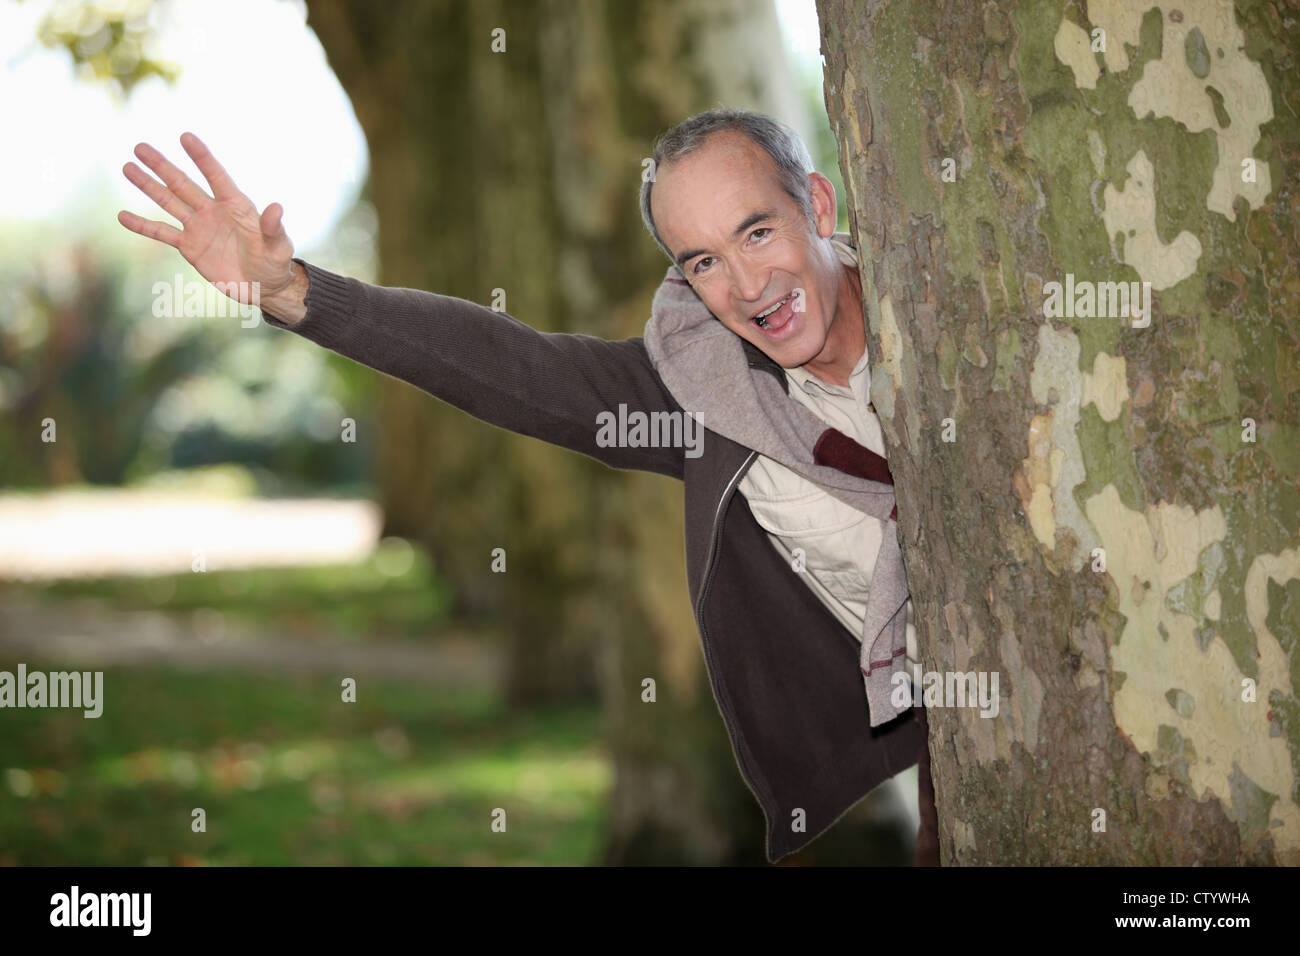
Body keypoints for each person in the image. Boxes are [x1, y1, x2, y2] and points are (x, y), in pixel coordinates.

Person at [118, 108, 939, 865]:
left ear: (819, 207)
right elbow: (512, 366)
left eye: (757, 232)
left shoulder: (958, 315)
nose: (749, 285)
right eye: (704, 262)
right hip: (960, 755)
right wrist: (295, 291)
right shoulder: (705, 398)